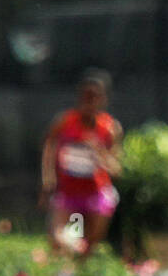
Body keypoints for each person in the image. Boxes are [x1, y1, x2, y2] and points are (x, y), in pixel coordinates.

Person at [40, 70, 123, 257]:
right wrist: (48, 179)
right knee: (64, 240)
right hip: (70, 194)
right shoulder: (65, 122)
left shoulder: (109, 128)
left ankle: (81, 267)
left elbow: (116, 169)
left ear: (103, 99)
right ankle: (69, 259)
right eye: (86, 96)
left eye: (95, 97)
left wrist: (99, 151)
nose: (90, 101)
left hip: (95, 194)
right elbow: (49, 146)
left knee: (87, 247)